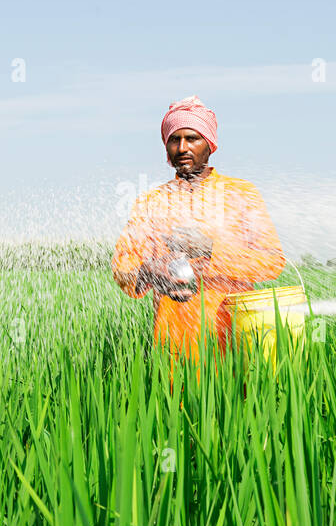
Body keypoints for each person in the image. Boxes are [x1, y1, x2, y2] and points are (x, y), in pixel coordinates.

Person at [112, 96, 286, 361]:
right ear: (166, 146)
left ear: (210, 144)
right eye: (174, 139)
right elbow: (122, 267)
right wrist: (148, 271)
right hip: (174, 345)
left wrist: (211, 249)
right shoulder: (150, 202)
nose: (182, 147)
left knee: (236, 401)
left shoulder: (241, 193)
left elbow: (272, 262)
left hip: (235, 341)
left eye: (192, 138)